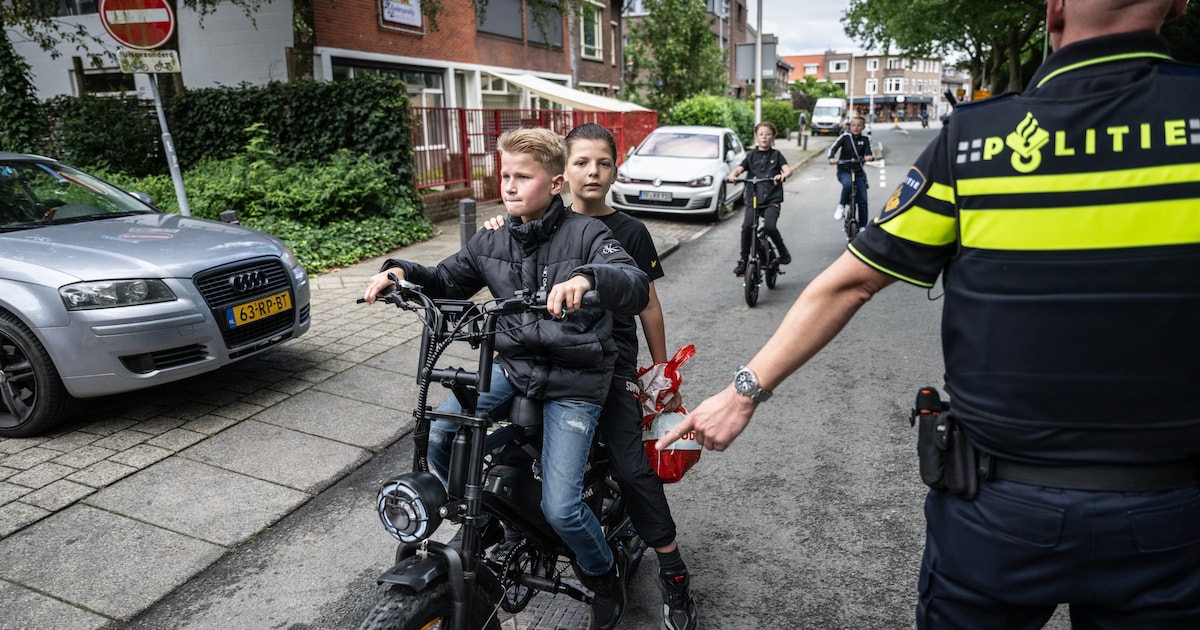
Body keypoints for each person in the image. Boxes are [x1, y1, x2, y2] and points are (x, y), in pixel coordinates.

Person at [659, 0, 1200, 627]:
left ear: (1053, 10)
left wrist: (743, 391)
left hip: (999, 510)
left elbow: (850, 285)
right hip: (1171, 512)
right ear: (1178, 4)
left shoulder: (977, 141)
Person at [363, 126, 649, 630]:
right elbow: (449, 277)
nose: (510, 186)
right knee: (442, 425)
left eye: (523, 176)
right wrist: (400, 274)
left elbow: (633, 281)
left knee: (561, 508)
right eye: (505, 175)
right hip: (513, 367)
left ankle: (604, 575)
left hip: (575, 380)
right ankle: (480, 515)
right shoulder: (492, 236)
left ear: (556, 183)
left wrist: (587, 279)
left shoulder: (587, 234)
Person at [482, 123, 700, 630]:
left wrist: (661, 372)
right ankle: (521, 530)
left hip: (612, 362)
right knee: (511, 443)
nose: (592, 172)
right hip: (546, 361)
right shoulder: (536, 217)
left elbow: (647, 303)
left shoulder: (628, 232)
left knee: (631, 466)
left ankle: (672, 570)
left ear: (614, 169)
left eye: (603, 163)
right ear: (561, 175)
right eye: (581, 162)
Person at [726, 121, 793, 276]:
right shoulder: (751, 156)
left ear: (773, 137)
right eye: (761, 134)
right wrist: (733, 175)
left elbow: (788, 170)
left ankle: (783, 253)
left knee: (769, 227)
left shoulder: (776, 155)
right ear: (756, 137)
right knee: (747, 226)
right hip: (753, 198)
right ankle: (743, 259)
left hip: (772, 199)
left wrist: (782, 175)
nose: (764, 137)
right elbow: (739, 168)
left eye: (768, 134)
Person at [827, 115, 873, 231]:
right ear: (850, 126)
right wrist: (831, 158)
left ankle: (863, 227)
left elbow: (869, 152)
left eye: (859, 126)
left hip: (858, 172)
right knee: (847, 184)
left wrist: (869, 157)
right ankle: (841, 205)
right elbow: (833, 148)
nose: (856, 128)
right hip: (844, 170)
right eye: (853, 125)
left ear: (863, 127)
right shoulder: (845, 137)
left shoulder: (865, 140)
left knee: (863, 200)